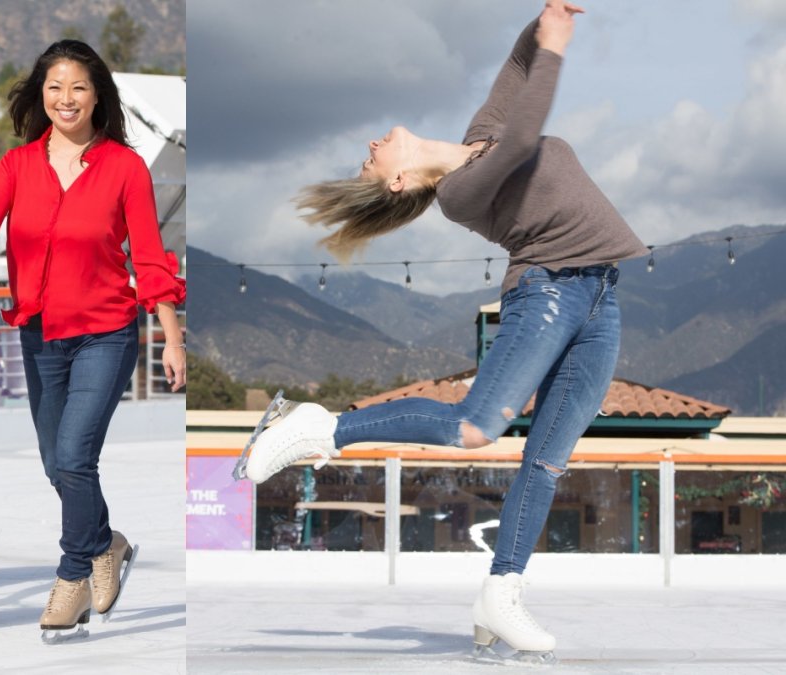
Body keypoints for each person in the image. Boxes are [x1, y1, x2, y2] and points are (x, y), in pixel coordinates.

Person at [243, 0, 647, 662]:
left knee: (547, 460)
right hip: (547, 292)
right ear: (402, 182)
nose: (369, 149)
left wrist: (543, 21)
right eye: (369, 165)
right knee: (475, 425)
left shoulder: (482, 133)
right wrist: (556, 45)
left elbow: (516, 68)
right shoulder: (459, 194)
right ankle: (324, 428)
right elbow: (525, 138)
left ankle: (500, 594)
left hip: (601, 299)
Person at [0, 39, 186, 640]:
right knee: (58, 464)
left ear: (97, 94)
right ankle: (106, 542)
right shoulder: (16, 166)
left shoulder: (125, 168)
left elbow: (150, 258)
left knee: (75, 457)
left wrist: (172, 339)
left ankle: (73, 574)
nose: (66, 98)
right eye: (55, 87)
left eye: (78, 86)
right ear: (41, 94)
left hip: (106, 335)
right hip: (40, 336)